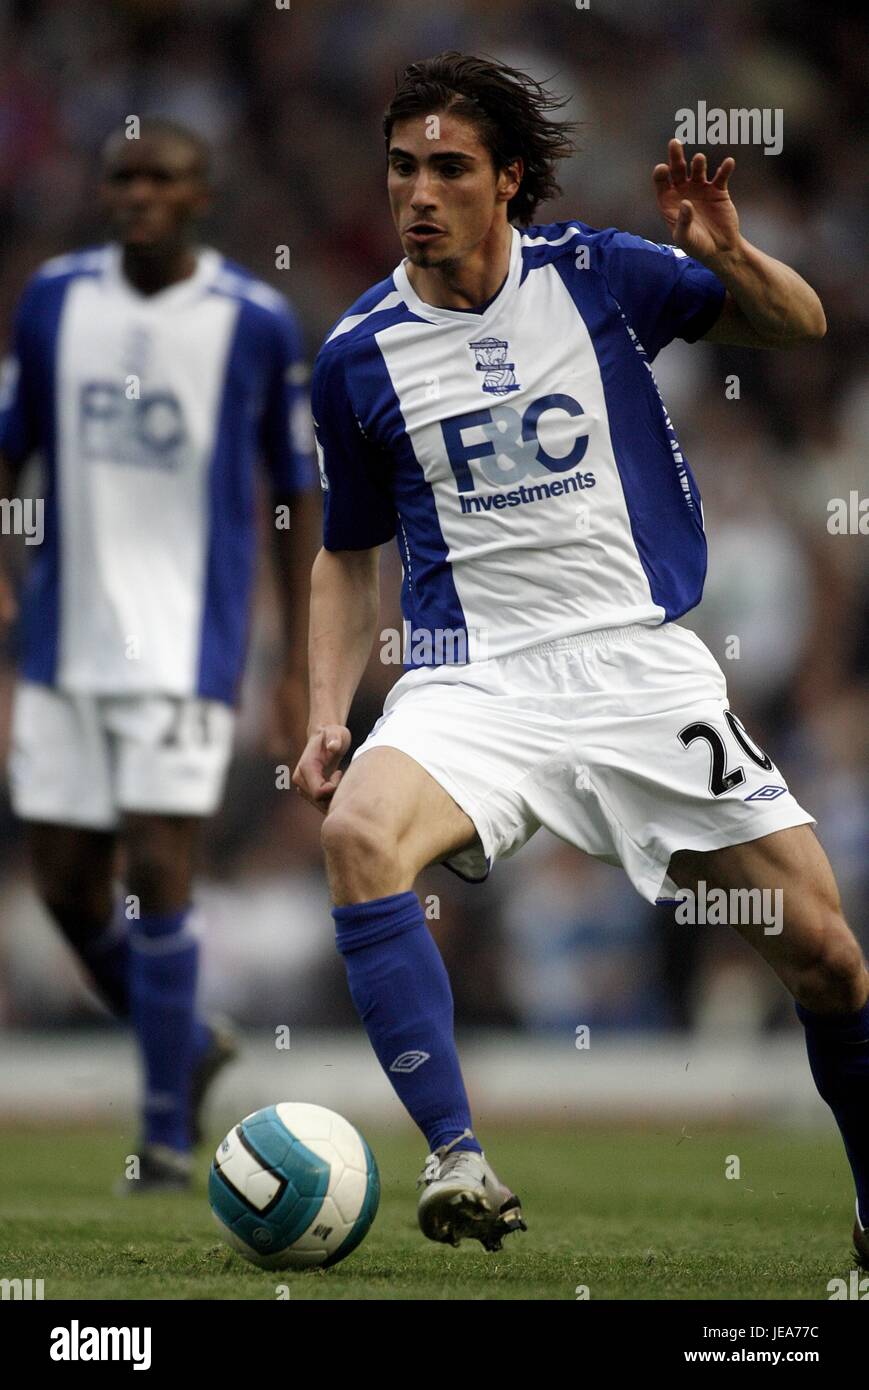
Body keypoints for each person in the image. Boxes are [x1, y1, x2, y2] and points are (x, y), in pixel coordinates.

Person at [294, 52, 868, 1259]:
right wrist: (323, 716)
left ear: (507, 181)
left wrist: (727, 255)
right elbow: (340, 554)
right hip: (470, 682)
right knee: (356, 835)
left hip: (637, 668)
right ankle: (456, 1158)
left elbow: (799, 321)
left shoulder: (599, 274)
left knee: (824, 956)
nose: (419, 192)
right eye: (402, 167)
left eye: (449, 168)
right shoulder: (356, 352)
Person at [0, 118, 318, 1189]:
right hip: (60, 638)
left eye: (161, 180)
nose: (136, 195)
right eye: (122, 178)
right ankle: (185, 1037)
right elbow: (11, 441)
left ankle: (165, 1140)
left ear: (200, 196)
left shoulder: (255, 320)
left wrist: (294, 663)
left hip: (189, 641)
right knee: (64, 887)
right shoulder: (55, 300)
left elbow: (296, 489)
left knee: (155, 864)